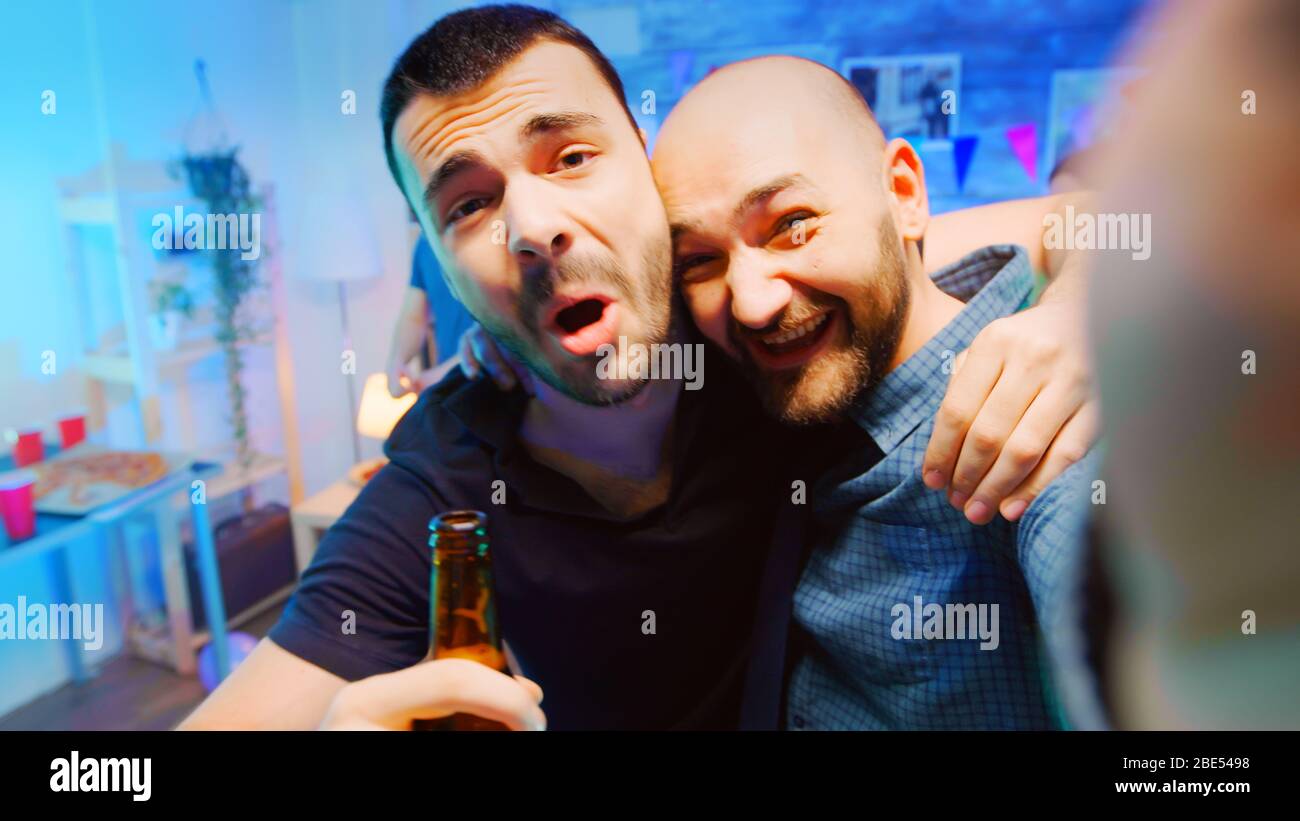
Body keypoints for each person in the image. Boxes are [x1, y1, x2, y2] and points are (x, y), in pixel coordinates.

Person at [181, 5, 1094, 731]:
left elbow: (1078, 218)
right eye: (467, 204)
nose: (532, 227)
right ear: (441, 266)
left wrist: (1091, 308)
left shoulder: (764, 336)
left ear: (649, 184)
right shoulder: (440, 497)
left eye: (571, 157)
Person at [649, 56, 1099, 728]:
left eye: (792, 224)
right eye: (701, 261)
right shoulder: (780, 390)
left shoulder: (1042, 419)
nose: (751, 303)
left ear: (905, 193)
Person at [385, 234, 476, 397]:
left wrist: (439, 376)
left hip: (494, 388)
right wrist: (396, 364)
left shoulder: (492, 234)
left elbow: (501, 329)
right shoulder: (425, 243)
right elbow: (413, 318)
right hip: (450, 393)